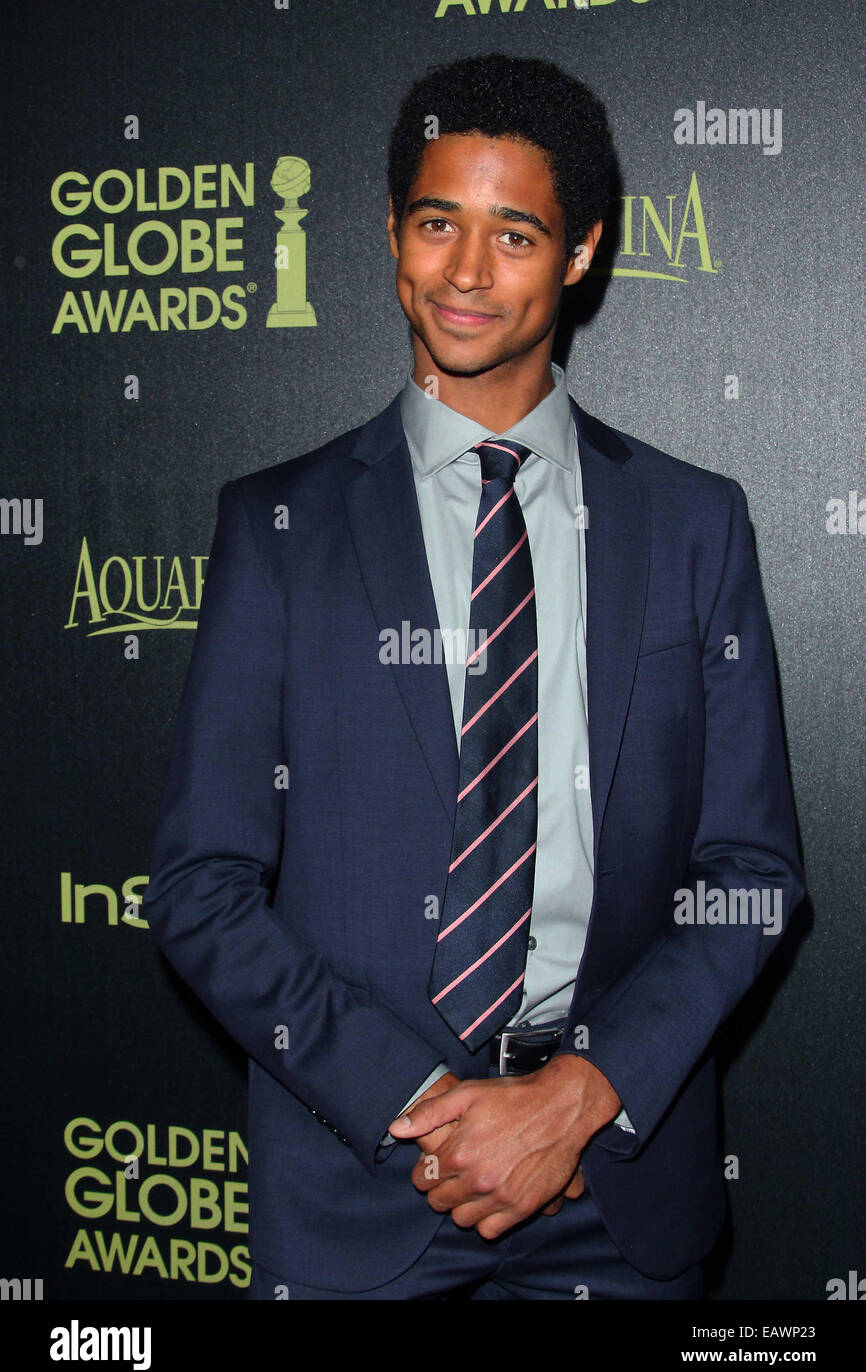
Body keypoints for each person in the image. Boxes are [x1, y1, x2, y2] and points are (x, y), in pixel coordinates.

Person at [143, 52, 805, 1300]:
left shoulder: (690, 522)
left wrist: (575, 1099)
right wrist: (425, 1106)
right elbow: (198, 885)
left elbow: (750, 876)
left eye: (514, 233)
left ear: (580, 253)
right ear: (392, 232)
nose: (463, 271)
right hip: (362, 1189)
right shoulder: (275, 528)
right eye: (437, 222)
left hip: (615, 1187)